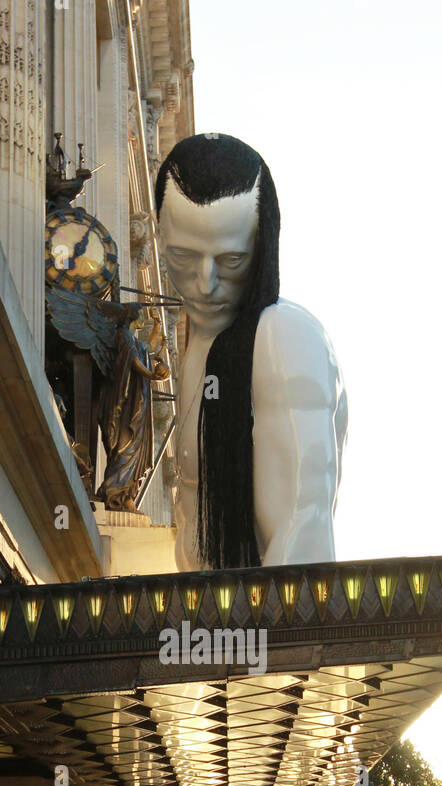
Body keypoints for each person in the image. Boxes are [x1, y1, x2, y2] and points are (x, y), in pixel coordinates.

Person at [155, 133, 347, 572]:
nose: (205, 284)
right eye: (185, 256)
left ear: (262, 249)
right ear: (161, 237)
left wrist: (258, 642)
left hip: (253, 632)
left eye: (231, 261)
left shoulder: (284, 339)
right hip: (209, 629)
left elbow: (302, 532)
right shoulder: (196, 357)